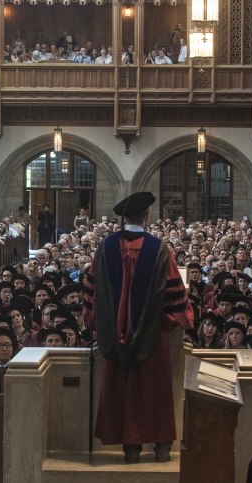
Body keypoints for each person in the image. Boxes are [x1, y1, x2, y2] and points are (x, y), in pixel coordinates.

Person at [83, 191, 193, 463]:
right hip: (152, 339)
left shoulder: (105, 247)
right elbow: (175, 300)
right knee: (155, 389)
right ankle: (161, 448)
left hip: (112, 339)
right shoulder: (159, 250)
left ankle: (130, 450)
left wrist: (106, 325)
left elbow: (92, 295)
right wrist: (164, 321)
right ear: (147, 217)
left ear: (122, 219)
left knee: (122, 389)